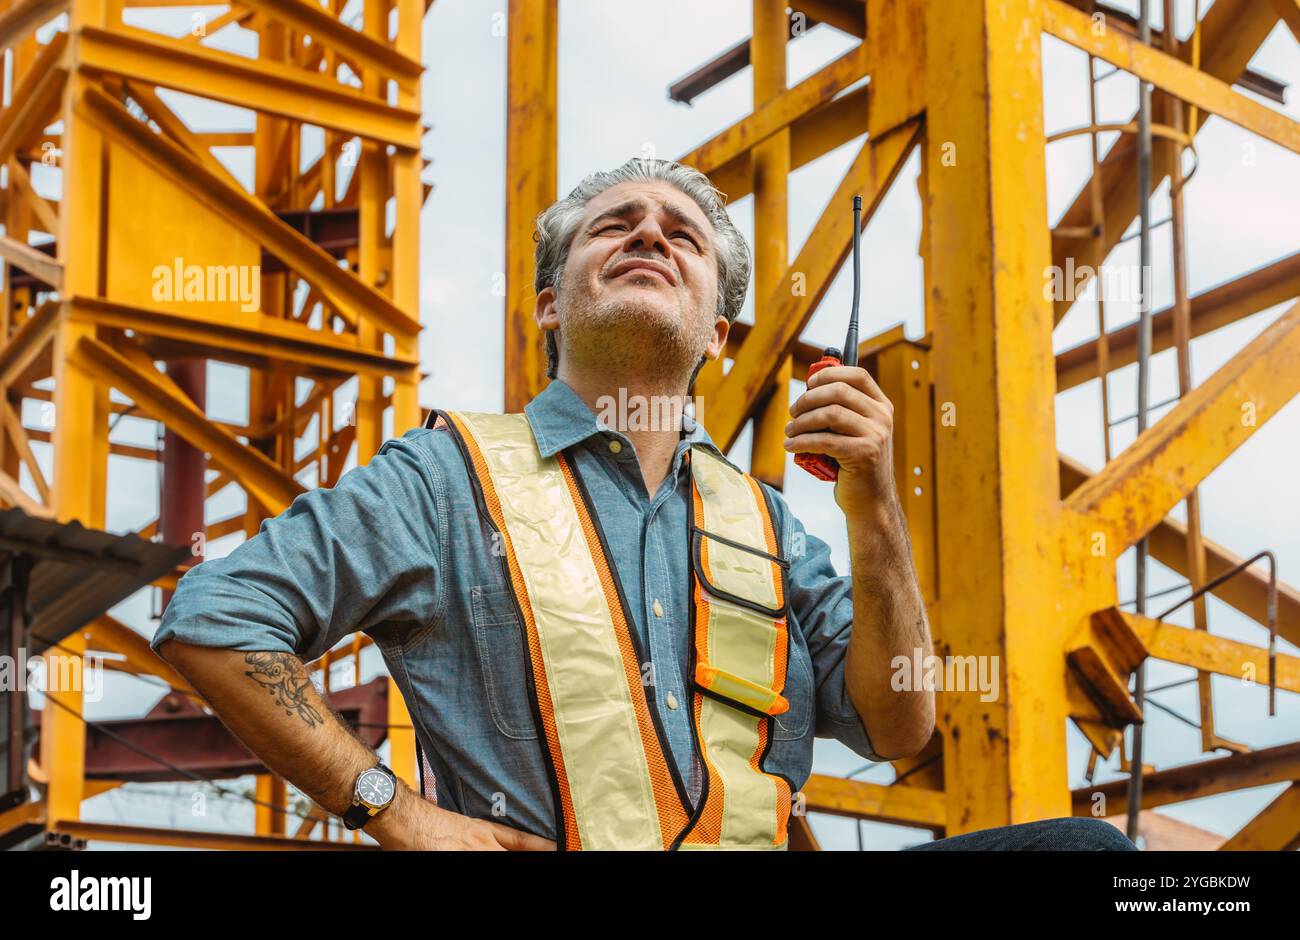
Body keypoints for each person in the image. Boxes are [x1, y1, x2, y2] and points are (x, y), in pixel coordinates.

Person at [152, 157, 1134, 851]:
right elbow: (211, 617)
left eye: (683, 234)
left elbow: (898, 727)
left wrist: (874, 508)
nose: (650, 232)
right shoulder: (445, 477)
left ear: (716, 332)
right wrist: (391, 806)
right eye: (614, 225)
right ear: (549, 303)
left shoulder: (770, 523)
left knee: (1090, 859)